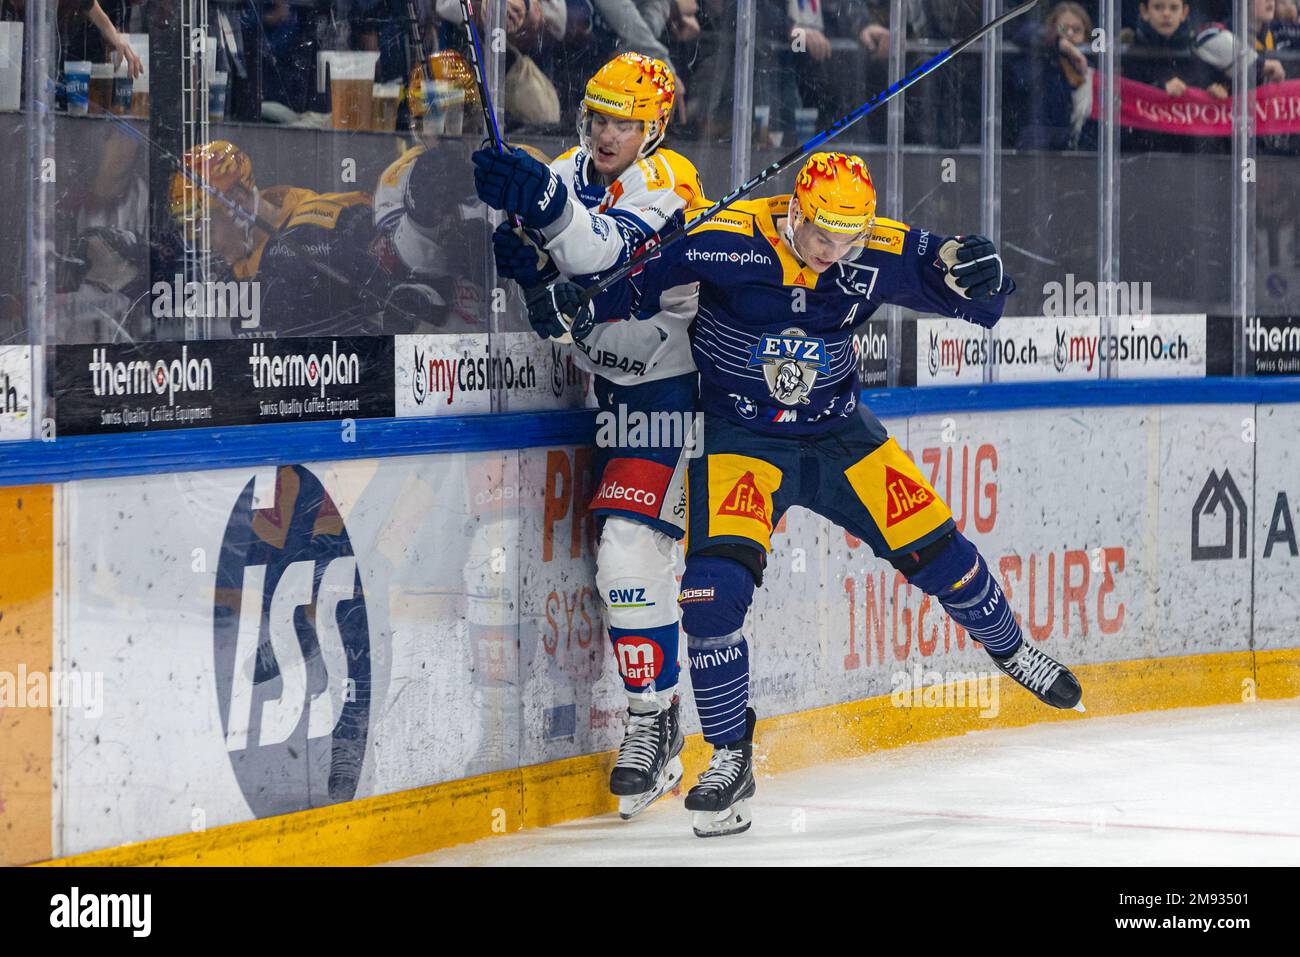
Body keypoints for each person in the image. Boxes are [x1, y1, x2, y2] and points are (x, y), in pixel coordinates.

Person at [530, 151, 1085, 837]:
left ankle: (1013, 650)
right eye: (823, 236)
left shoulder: (873, 247)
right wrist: (569, 302)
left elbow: (977, 297)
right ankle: (731, 757)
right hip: (742, 442)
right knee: (709, 599)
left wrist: (980, 270)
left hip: (841, 439)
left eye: (849, 239)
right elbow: (626, 288)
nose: (834, 253)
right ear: (794, 211)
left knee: (942, 554)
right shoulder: (722, 236)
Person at [471, 51, 706, 820]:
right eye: (599, 117)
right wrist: (532, 272)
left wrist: (543, 209)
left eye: (625, 123)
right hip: (605, 390)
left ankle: (652, 723)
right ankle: (656, 711)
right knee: (607, 563)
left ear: (655, 127)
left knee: (629, 552)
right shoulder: (571, 169)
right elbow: (564, 312)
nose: (607, 133)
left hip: (674, 394)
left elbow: (604, 254)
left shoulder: (672, 184)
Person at [168, 140, 441, 338]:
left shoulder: (333, 226)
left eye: (203, 227)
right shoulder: (229, 269)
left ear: (238, 203)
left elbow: (413, 304)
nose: (201, 243)